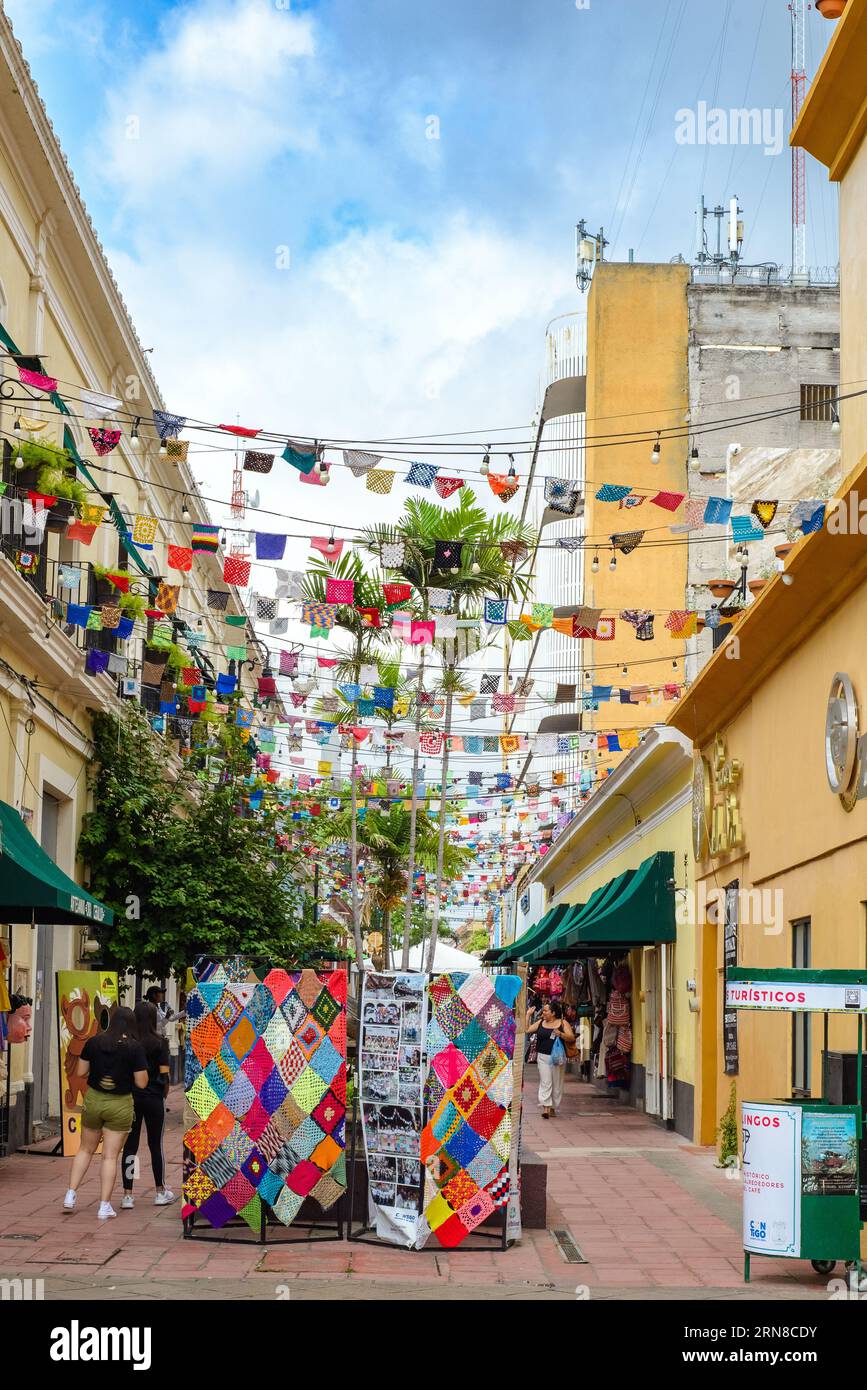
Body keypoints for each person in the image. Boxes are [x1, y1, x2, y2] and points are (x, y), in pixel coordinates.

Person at [63, 1007, 148, 1220]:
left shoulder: (93, 1042)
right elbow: (141, 1082)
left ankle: (70, 1194)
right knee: (109, 1157)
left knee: (85, 1149)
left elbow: (81, 1072)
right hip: (120, 1104)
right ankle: (104, 1206)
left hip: (93, 1100)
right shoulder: (135, 1048)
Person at [120, 1001, 175, 1209]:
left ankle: (127, 1194)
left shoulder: (128, 1044)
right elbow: (165, 1075)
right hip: (154, 1098)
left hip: (132, 1099)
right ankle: (160, 1190)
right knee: (155, 1145)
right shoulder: (160, 1043)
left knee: (130, 1146)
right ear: (153, 1019)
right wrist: (163, 1094)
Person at [526, 998, 575, 1118]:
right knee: (545, 1081)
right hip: (542, 1057)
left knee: (556, 1083)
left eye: (546, 1011)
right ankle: (546, 1108)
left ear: (553, 1013)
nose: (543, 1013)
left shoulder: (563, 1023)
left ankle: (553, 1106)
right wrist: (528, 1015)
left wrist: (561, 1034)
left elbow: (571, 1038)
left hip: (557, 1058)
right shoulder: (541, 1022)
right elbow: (526, 1030)